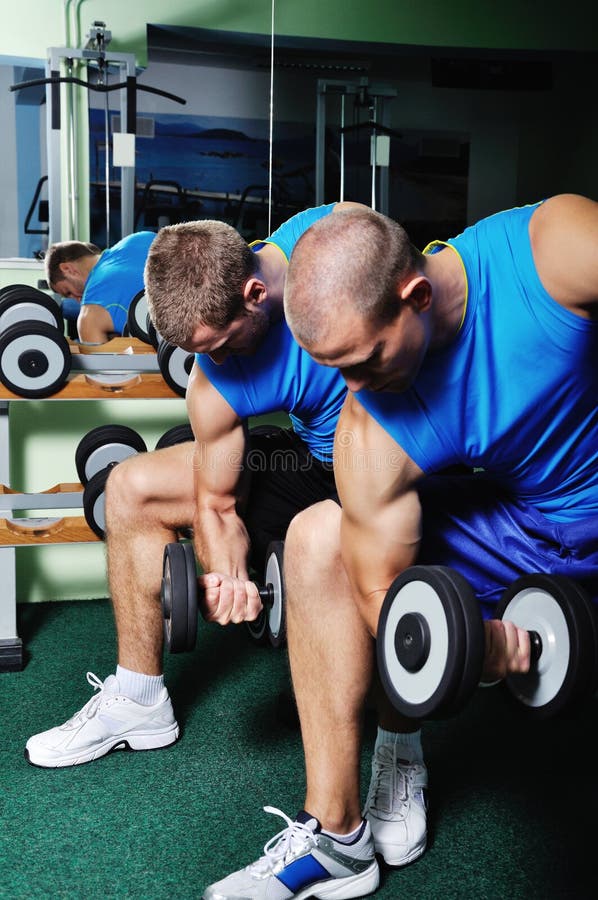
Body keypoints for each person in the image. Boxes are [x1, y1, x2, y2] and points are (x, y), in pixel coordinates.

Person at [209, 193, 594, 900]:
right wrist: (471, 649)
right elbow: (386, 596)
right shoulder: (368, 425)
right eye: (336, 370)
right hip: (522, 532)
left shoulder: (552, 252)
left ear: (416, 296)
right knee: (319, 535)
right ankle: (340, 835)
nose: (353, 390)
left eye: (364, 361)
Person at [25, 202, 407, 900]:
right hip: (310, 458)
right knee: (132, 487)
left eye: (225, 344)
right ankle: (138, 697)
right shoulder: (213, 370)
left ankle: (399, 748)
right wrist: (227, 571)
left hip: (396, 458)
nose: (219, 362)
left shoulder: (334, 247)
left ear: (256, 293)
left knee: (341, 546)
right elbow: (217, 503)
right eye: (203, 352)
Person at [44, 231, 155, 342]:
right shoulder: (141, 237)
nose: (77, 300)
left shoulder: (88, 318)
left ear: (67, 269)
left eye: (68, 292)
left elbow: (109, 356)